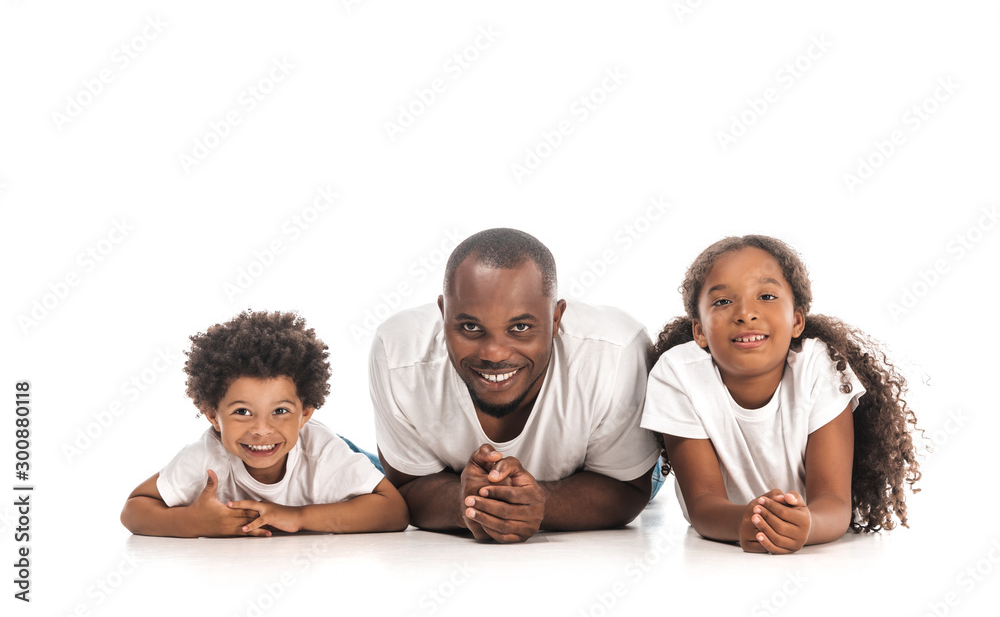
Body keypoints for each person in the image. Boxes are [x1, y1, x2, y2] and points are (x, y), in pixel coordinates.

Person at [370, 228, 660, 543]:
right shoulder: (398, 354)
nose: (494, 353)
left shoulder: (616, 352)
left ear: (556, 318)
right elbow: (407, 486)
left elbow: (629, 487)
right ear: (443, 313)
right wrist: (465, 504)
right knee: (347, 473)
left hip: (599, 465)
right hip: (449, 475)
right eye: (470, 327)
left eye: (520, 327)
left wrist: (537, 505)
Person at [641, 235, 922, 554]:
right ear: (700, 331)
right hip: (727, 529)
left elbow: (834, 504)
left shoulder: (819, 367)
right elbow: (703, 504)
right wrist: (744, 522)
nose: (746, 313)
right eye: (722, 301)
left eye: (766, 295)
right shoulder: (679, 373)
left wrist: (807, 525)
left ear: (797, 321)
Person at [120, 311, 409, 537]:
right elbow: (134, 509)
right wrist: (191, 522)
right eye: (243, 412)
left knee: (407, 485)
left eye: (280, 410)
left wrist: (296, 517)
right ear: (212, 416)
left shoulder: (323, 455)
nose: (261, 429)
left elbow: (394, 511)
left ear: (305, 414)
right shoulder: (206, 458)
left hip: (343, 450)